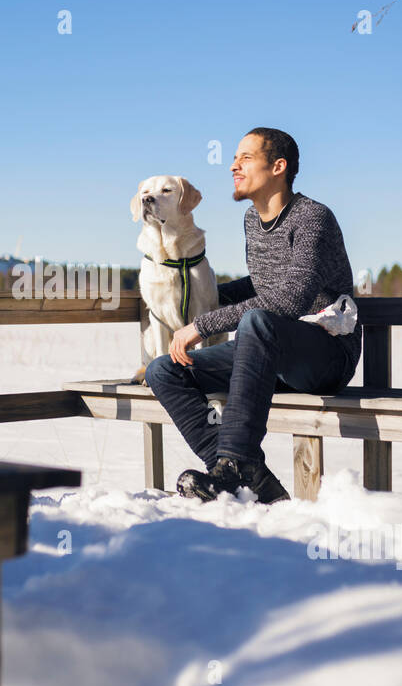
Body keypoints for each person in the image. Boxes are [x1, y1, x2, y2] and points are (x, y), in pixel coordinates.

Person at [144, 127, 361, 504]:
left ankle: (234, 466)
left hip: (324, 356)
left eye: (245, 158)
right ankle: (244, 476)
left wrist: (203, 323)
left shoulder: (313, 219)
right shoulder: (251, 221)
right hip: (266, 353)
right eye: (233, 158)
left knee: (256, 323)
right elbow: (262, 283)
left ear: (278, 167)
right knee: (164, 369)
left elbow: (291, 297)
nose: (233, 166)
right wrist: (203, 291)